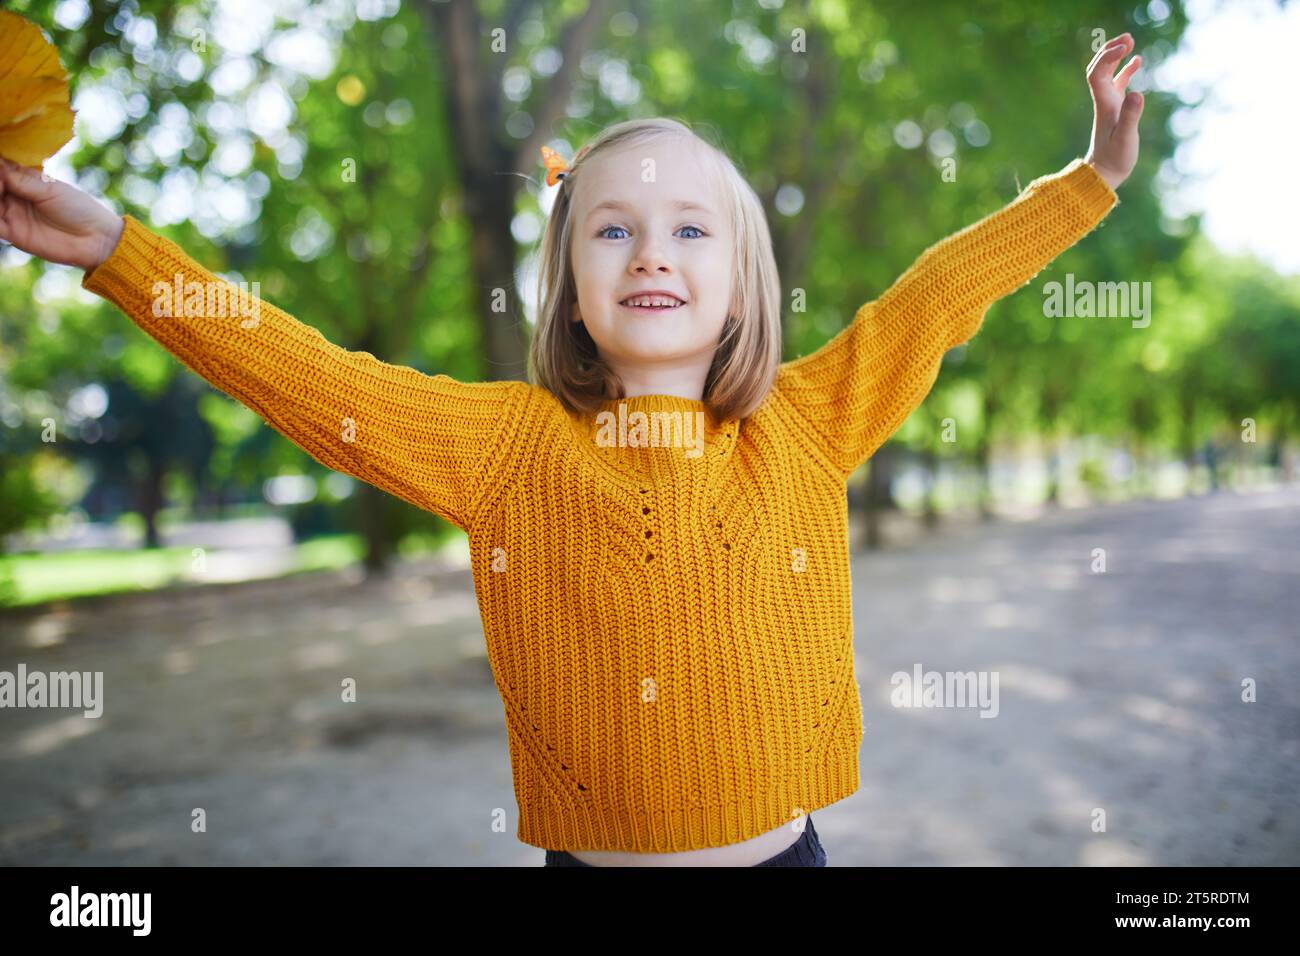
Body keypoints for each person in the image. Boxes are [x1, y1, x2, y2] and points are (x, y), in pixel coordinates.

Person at [0, 34, 1142, 867]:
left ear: (744, 280)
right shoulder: (508, 446)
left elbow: (938, 294)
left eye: (690, 228)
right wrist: (118, 248)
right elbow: (310, 376)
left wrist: (1088, 181)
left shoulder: (806, 417)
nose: (652, 252)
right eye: (613, 229)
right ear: (570, 286)